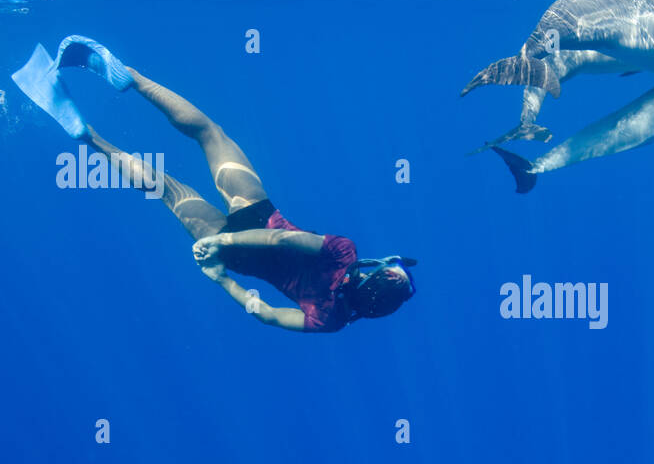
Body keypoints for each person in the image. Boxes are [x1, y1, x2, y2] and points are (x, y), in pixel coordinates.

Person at [86, 68, 415, 332]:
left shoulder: (344, 252)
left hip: (257, 219)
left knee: (209, 134)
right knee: (165, 188)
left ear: (373, 273)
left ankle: (132, 77)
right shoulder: (330, 320)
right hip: (237, 258)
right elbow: (268, 315)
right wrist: (221, 278)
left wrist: (227, 237)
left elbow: (281, 238)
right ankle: (88, 136)